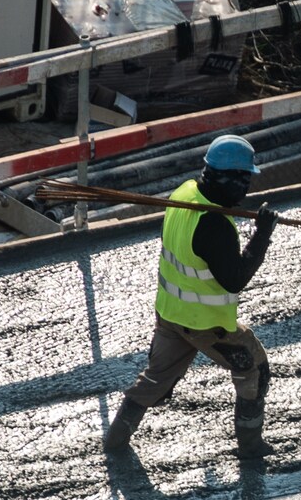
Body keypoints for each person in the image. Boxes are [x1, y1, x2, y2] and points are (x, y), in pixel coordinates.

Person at [105, 134, 280, 457]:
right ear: (224, 179)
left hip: (171, 313)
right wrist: (262, 235)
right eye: (242, 181)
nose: (247, 189)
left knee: (156, 380)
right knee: (253, 367)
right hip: (204, 324)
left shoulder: (185, 193)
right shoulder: (214, 226)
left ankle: (115, 440)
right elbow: (235, 280)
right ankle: (251, 446)